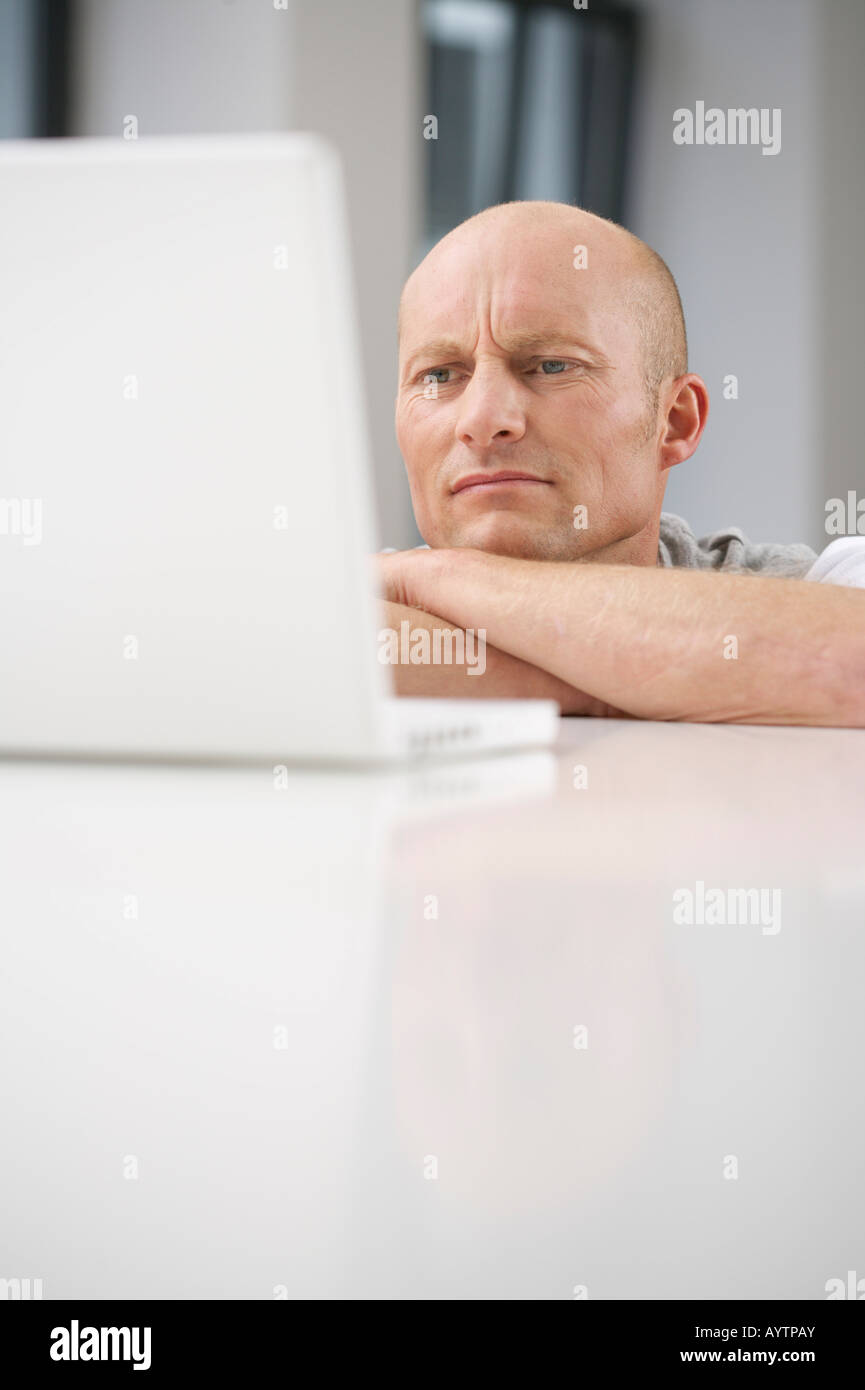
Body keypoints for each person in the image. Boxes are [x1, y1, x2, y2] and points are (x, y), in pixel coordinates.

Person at [378, 201, 865, 724]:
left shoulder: (820, 583)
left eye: (550, 365)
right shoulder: (341, 596)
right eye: (439, 376)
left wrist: (434, 578)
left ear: (675, 421)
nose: (481, 418)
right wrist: (658, 681)